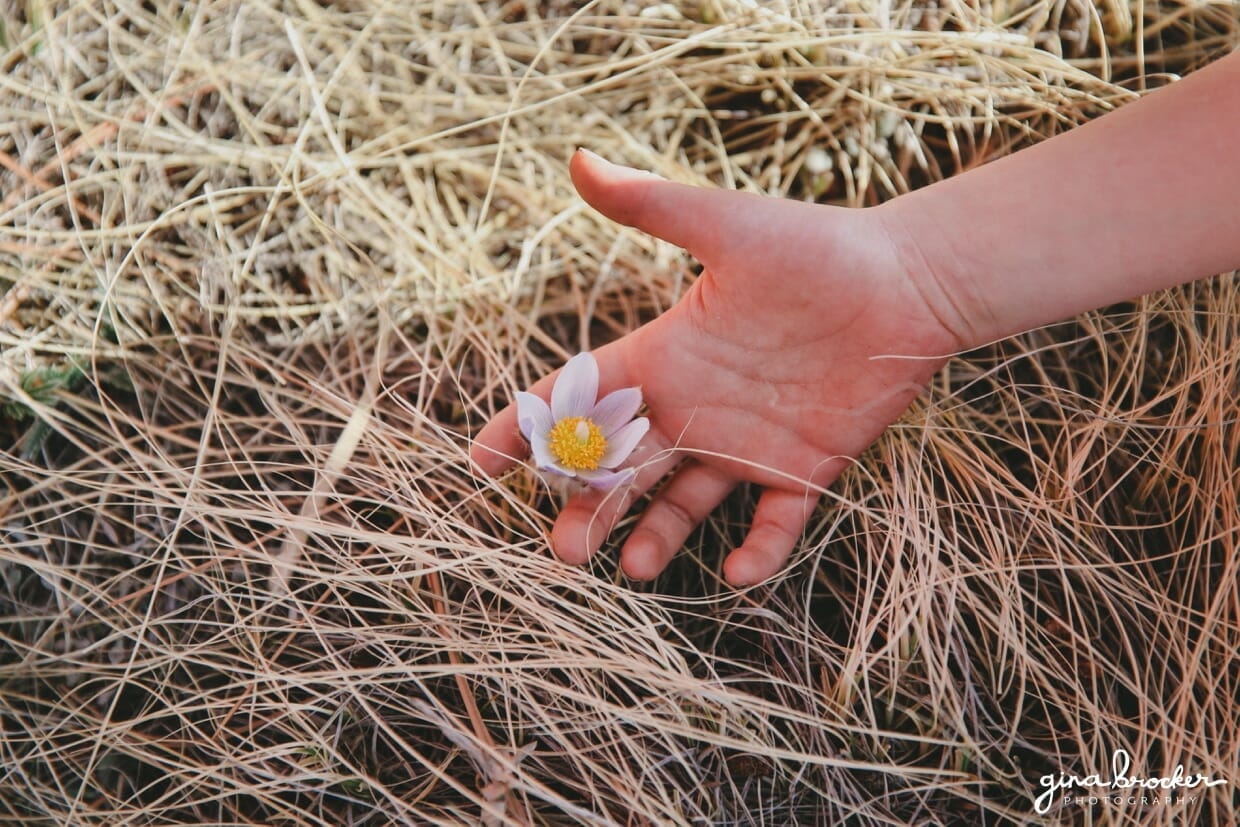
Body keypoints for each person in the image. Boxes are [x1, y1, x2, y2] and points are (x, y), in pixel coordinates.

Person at [472, 50, 1240, 586]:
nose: (582, 435)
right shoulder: (583, 430)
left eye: (583, 438)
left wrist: (918, 274)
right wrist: (916, 275)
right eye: (576, 439)